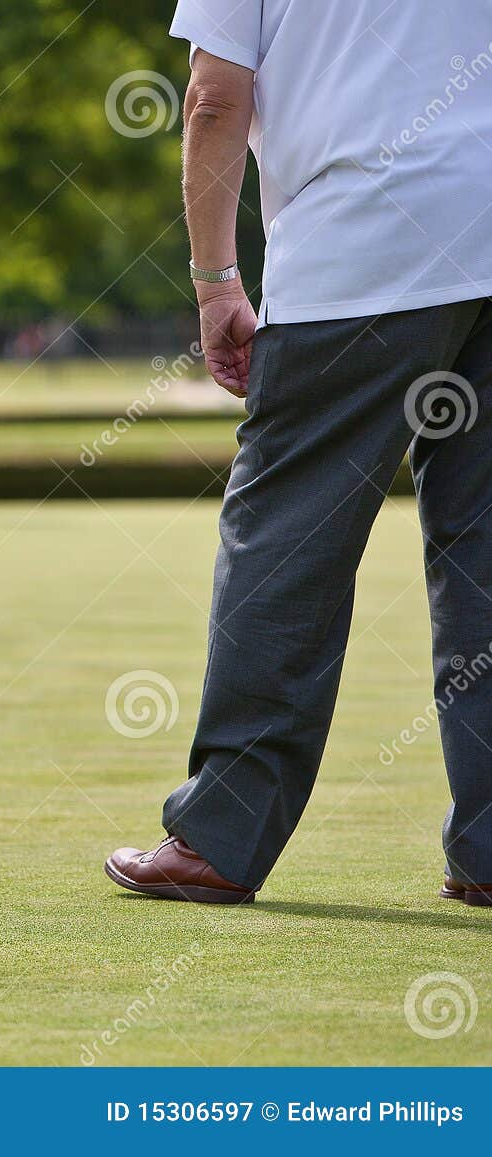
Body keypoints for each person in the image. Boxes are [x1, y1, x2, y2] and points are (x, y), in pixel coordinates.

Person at [107, 1, 492, 906]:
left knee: (285, 542)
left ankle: (221, 836)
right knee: (483, 547)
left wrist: (214, 282)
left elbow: (213, 99)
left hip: (362, 246)